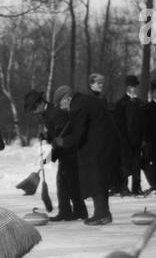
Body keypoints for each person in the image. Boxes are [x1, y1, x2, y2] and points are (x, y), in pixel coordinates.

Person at [56, 81, 121, 225]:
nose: (64, 109)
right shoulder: (84, 100)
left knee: (95, 178)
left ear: (66, 98)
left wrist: (63, 142)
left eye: (62, 105)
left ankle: (101, 214)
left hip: (98, 145)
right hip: (105, 142)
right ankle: (104, 213)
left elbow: (78, 134)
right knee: (100, 178)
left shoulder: (77, 106)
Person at [44, 86, 86, 221]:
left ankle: (73, 211)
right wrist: (48, 138)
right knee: (66, 182)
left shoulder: (57, 113)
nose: (60, 106)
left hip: (70, 151)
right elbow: (56, 135)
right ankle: (71, 211)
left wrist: (53, 153)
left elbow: (67, 134)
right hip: (65, 150)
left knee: (69, 182)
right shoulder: (54, 112)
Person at [114, 75, 145, 195]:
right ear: (127, 87)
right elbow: (119, 124)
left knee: (137, 164)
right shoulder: (121, 103)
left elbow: (143, 122)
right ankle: (123, 187)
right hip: (125, 140)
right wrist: (123, 139)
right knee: (125, 164)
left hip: (137, 140)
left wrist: (142, 138)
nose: (134, 88)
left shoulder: (140, 103)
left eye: (135, 86)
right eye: (132, 86)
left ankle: (136, 187)